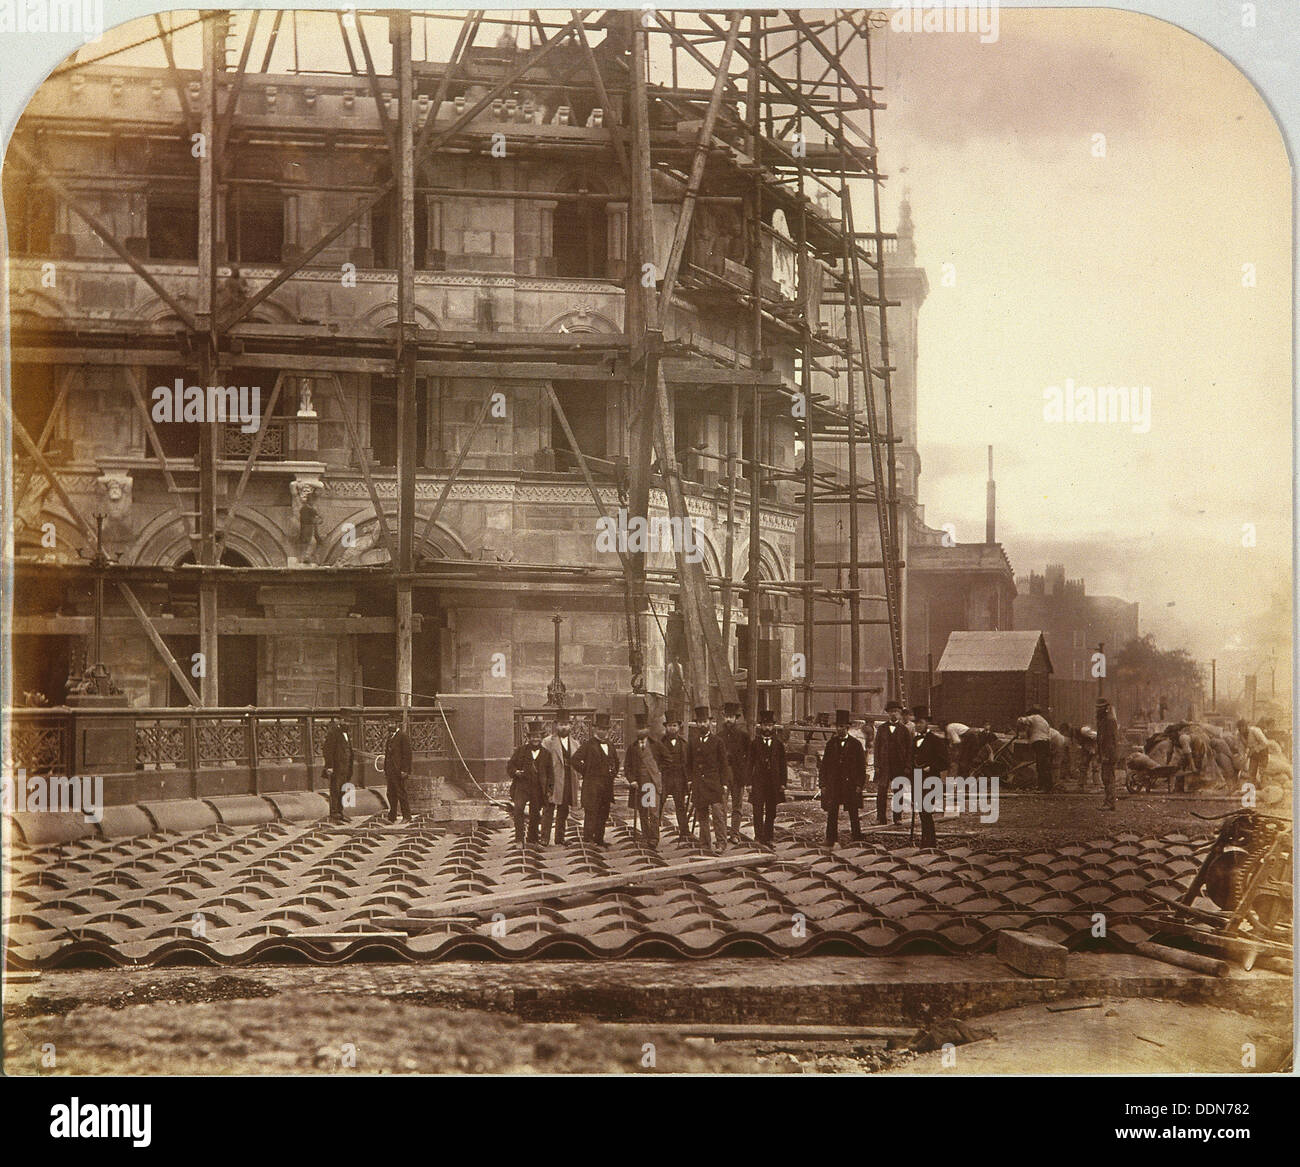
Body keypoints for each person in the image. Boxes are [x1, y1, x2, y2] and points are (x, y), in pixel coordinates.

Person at [819, 709, 866, 847]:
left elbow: (861, 767)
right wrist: (822, 784)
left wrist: (859, 784)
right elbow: (824, 766)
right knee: (832, 812)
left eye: (843, 726)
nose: (840, 729)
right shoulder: (831, 744)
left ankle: (856, 838)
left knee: (853, 812)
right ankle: (830, 839)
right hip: (834, 784)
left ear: (847, 727)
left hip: (850, 784)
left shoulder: (856, 745)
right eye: (838, 726)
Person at [688, 705, 731, 854]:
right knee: (702, 816)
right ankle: (705, 844)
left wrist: (724, 783)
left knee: (718, 814)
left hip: (714, 783)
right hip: (699, 784)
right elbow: (689, 764)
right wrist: (690, 781)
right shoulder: (692, 742)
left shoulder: (717, 741)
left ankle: (721, 843)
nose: (702, 725)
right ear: (697, 724)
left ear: (710, 723)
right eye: (699, 722)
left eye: (705, 721)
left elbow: (724, 765)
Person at [575, 712, 619, 845]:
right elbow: (575, 760)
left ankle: (600, 839)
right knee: (591, 812)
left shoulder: (610, 745)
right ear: (595, 729)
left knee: (603, 812)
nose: (602, 731)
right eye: (600, 728)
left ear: (608, 730)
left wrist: (613, 773)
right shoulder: (588, 745)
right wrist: (587, 772)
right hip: (592, 785)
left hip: (606, 785)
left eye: (605, 729)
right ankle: (588, 839)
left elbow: (616, 762)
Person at [506, 720, 552, 846]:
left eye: (538, 736)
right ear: (528, 737)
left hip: (538, 787)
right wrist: (516, 772)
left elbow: (550, 774)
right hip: (522, 786)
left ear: (541, 738)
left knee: (535, 813)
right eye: (532, 737)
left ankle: (532, 838)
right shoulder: (521, 751)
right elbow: (510, 766)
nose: (535, 739)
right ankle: (519, 839)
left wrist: (549, 789)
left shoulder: (546, 754)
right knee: (518, 810)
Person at [911, 705, 948, 848]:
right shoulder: (914, 741)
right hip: (918, 780)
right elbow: (912, 759)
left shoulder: (936, 741)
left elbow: (944, 762)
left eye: (920, 722)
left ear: (927, 723)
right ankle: (926, 841)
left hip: (931, 781)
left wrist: (931, 767)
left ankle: (930, 842)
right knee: (921, 811)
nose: (918, 725)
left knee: (926, 811)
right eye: (916, 723)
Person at [541, 709, 580, 844]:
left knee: (563, 810)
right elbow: (542, 764)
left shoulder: (575, 744)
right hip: (553, 781)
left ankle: (560, 838)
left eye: (566, 724)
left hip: (568, 780)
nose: (564, 727)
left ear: (570, 726)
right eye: (561, 724)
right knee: (548, 809)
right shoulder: (547, 742)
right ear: (556, 725)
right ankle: (544, 838)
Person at [748, 710, 786, 846]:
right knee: (757, 809)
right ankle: (758, 837)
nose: (767, 728)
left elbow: (783, 764)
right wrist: (748, 783)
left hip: (773, 782)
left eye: (770, 725)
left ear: (773, 726)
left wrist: (783, 783)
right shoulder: (754, 743)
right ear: (760, 726)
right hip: (758, 781)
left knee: (771, 810)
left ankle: (769, 837)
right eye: (765, 725)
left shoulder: (778, 744)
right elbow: (749, 763)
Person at [625, 711, 663, 847]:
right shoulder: (632, 748)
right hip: (639, 785)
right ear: (636, 730)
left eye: (644, 728)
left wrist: (657, 773)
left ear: (648, 729)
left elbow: (667, 761)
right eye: (639, 728)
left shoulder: (655, 745)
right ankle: (645, 836)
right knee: (643, 812)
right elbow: (627, 767)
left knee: (652, 812)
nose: (641, 731)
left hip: (651, 784)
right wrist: (631, 780)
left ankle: (654, 838)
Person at [873, 701, 912, 825]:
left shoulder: (905, 730)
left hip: (899, 766)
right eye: (891, 711)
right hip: (884, 766)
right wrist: (876, 765)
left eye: (896, 711)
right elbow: (876, 748)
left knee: (898, 792)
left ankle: (897, 817)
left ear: (900, 713)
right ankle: (880, 818)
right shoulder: (881, 729)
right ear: (887, 713)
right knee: (881, 793)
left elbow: (909, 750)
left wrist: (907, 766)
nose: (893, 714)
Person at [657, 710, 692, 840]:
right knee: (658, 806)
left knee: (680, 807)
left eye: (674, 725)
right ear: (666, 727)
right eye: (669, 725)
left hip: (679, 779)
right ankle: (653, 834)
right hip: (664, 779)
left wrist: (688, 780)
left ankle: (684, 833)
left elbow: (688, 763)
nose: (672, 728)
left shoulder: (684, 744)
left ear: (678, 727)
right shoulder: (659, 744)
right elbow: (656, 762)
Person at [720, 701, 751, 842]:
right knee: (721, 806)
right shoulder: (718, 736)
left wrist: (746, 775)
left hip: (738, 774)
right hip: (724, 775)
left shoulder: (744, 736)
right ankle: (721, 834)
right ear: (723, 717)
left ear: (736, 718)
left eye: (731, 717)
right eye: (726, 717)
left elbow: (749, 757)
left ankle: (735, 834)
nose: (728, 720)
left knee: (737, 806)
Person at [322, 715, 354, 824]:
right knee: (335, 790)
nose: (347, 724)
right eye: (345, 721)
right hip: (336, 767)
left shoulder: (346, 734)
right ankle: (334, 813)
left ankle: (340, 812)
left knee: (343, 789)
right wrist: (329, 766)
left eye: (349, 721)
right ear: (340, 720)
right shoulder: (333, 733)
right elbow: (327, 750)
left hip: (346, 767)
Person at [382, 716, 413, 824]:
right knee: (390, 793)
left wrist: (405, 770)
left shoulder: (403, 736)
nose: (390, 725)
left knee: (401, 793)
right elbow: (387, 755)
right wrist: (386, 769)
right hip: (390, 771)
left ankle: (407, 816)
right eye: (388, 723)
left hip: (399, 771)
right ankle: (392, 816)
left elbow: (407, 755)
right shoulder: (390, 737)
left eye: (392, 723)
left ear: (397, 724)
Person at [1018, 705, 1053, 793]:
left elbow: (1021, 720)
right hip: (1046, 742)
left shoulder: (1034, 718)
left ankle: (1044, 788)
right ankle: (1045, 786)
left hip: (1039, 743)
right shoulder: (1044, 721)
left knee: (1041, 765)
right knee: (1044, 765)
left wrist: (1018, 725)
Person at [1096, 698, 1119, 810]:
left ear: (1105, 709)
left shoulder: (1109, 721)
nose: (1097, 710)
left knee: (1108, 778)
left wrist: (1106, 755)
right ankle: (1108, 802)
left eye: (1099, 708)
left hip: (1108, 753)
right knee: (1106, 778)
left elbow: (1109, 740)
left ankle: (1110, 803)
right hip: (1106, 753)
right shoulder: (1104, 720)